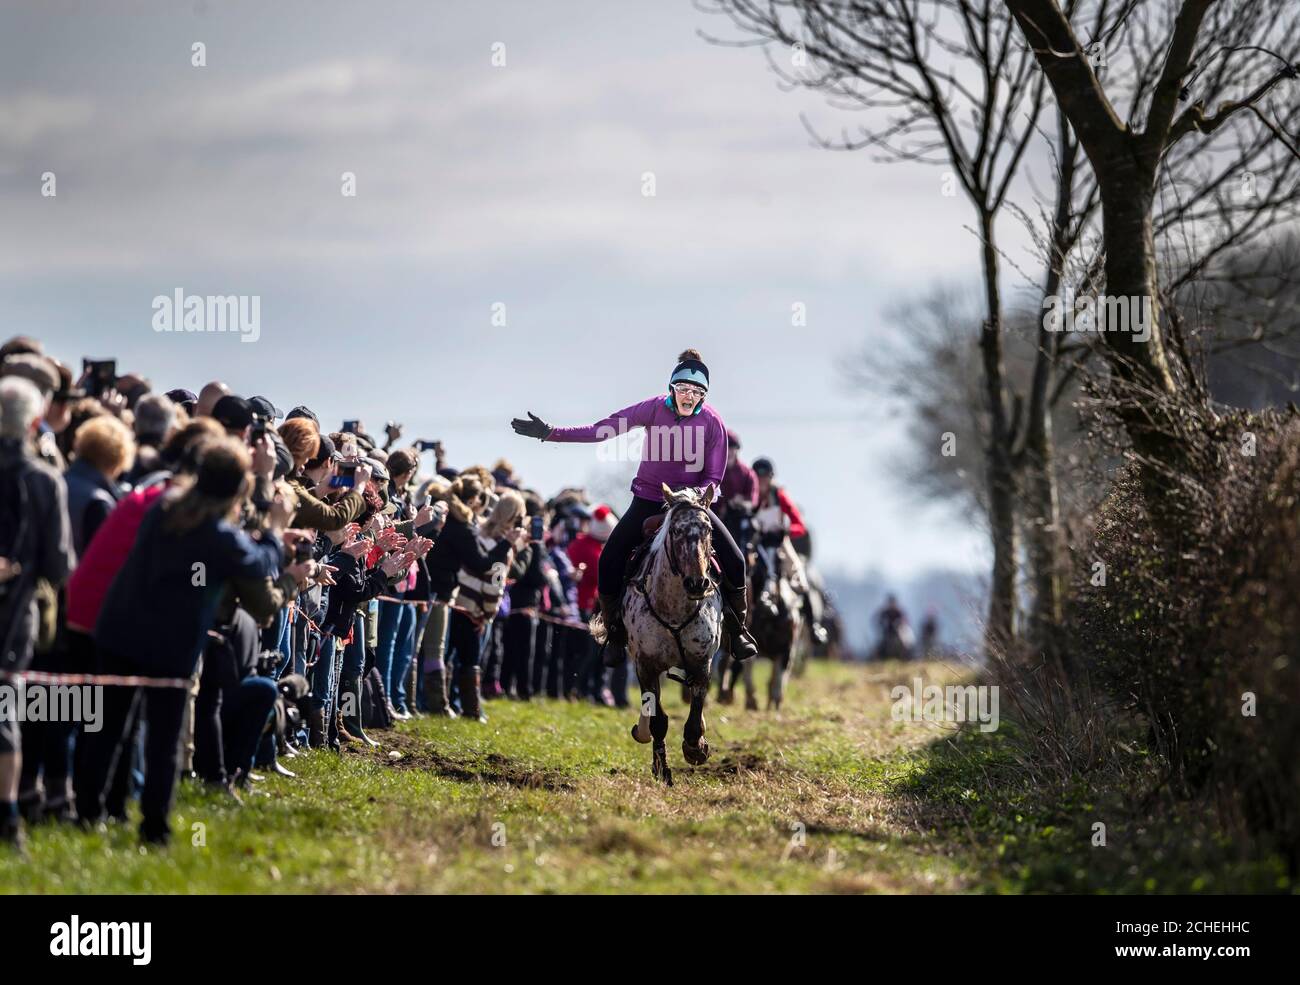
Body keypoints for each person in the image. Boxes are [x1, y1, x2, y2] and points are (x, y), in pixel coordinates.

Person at [77, 437, 310, 844]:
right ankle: (154, 830)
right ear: (239, 490)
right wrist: (274, 529)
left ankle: (89, 814)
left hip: (118, 630)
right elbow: (257, 567)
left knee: (108, 728)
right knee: (164, 741)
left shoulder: (162, 510)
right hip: (170, 645)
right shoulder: (218, 536)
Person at [511, 348, 757, 663]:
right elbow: (602, 430)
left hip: (691, 505)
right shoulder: (652, 409)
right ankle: (614, 633)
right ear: (672, 389)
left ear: (704, 396)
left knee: (735, 561)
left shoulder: (712, 423)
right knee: (609, 558)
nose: (689, 396)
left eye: (697, 392)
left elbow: (713, 478)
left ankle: (737, 632)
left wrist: (691, 496)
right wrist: (550, 433)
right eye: (683, 389)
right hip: (649, 499)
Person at [0, 377, 75, 848]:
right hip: (16, 611)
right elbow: (60, 563)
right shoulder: (46, 480)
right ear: (33, 422)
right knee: (5, 706)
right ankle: (8, 812)